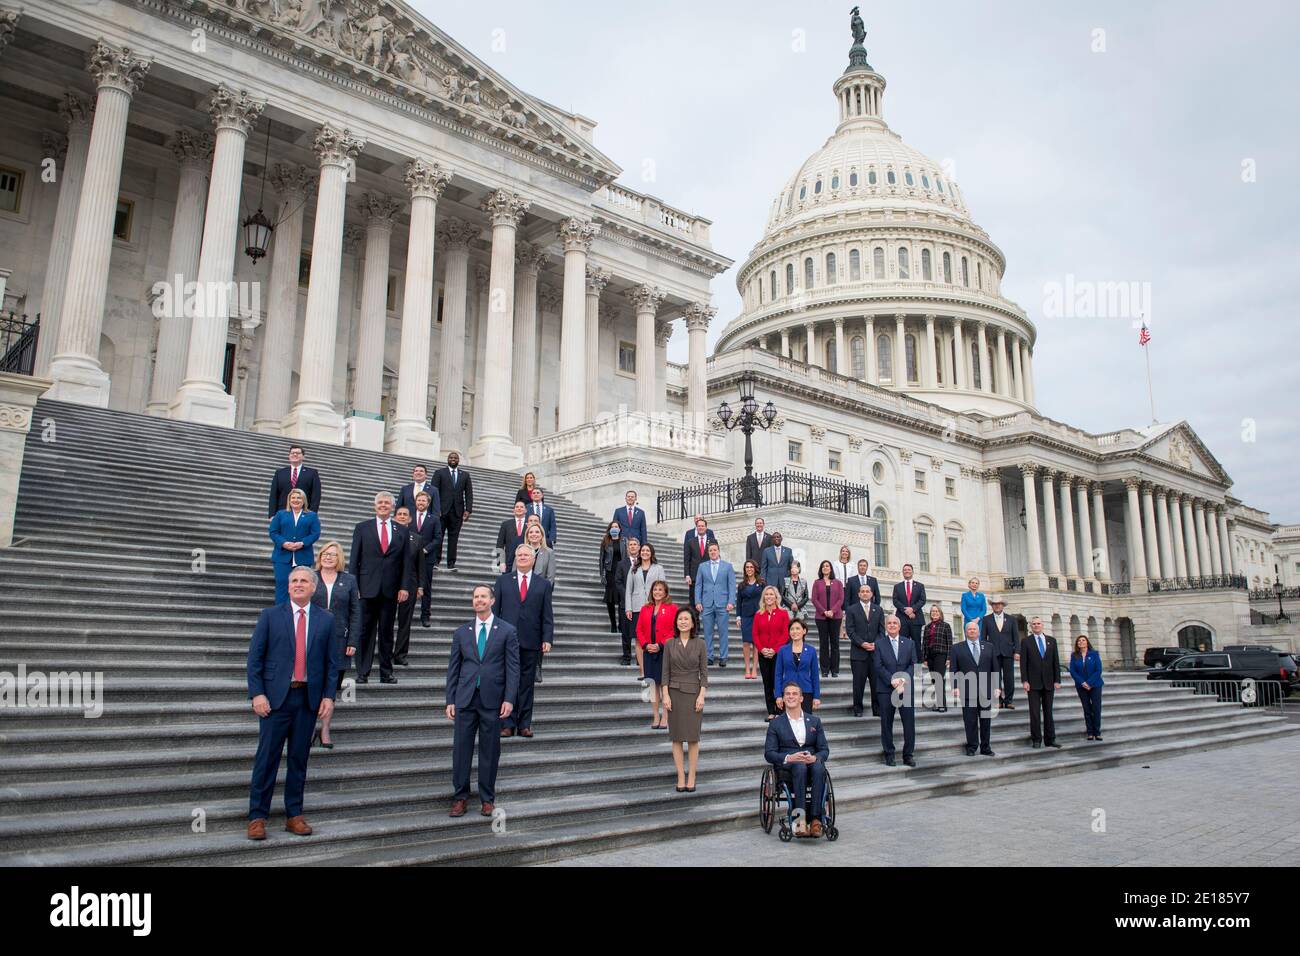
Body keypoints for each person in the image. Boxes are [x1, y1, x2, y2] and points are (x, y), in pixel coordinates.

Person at [246, 566, 340, 840]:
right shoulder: (270, 616)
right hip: (275, 700)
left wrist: (328, 696)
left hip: (307, 700)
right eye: (294, 581)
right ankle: (257, 817)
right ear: (288, 587)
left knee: (299, 759)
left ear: (313, 587)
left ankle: (294, 815)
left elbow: (331, 663)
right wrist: (258, 694)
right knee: (267, 759)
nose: (298, 584)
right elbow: (255, 660)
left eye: (303, 581)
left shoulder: (326, 620)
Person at [446, 584, 520, 817]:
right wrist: (451, 699)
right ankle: (460, 797)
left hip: (493, 701)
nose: (479, 600)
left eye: (483, 597)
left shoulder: (507, 631)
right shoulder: (461, 632)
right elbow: (453, 669)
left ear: (492, 600)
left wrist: (509, 698)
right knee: (461, 751)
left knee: (490, 751)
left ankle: (487, 799)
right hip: (465, 699)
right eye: (475, 597)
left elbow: (513, 668)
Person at [349, 492, 416, 685]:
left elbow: (406, 563)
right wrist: (354, 587)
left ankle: (386, 673)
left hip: (391, 589)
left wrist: (404, 587)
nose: (384, 505)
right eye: (380, 502)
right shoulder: (362, 528)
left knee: (387, 633)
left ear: (393, 507)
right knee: (365, 631)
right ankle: (363, 672)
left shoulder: (401, 530)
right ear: (375, 506)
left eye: (387, 503)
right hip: (366, 588)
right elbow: (355, 560)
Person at [495, 545, 554, 738]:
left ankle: (524, 724)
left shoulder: (543, 584)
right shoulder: (503, 581)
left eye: (526, 555)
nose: (522, 557)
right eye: (519, 554)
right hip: (506, 641)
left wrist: (547, 638)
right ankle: (506, 723)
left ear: (533, 559)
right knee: (507, 682)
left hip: (532, 640)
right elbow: (495, 613)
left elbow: (547, 614)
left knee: (527, 683)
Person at [764, 682, 831, 837]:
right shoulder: (775, 724)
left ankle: (815, 819)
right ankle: (799, 819)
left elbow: (824, 750)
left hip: (811, 764)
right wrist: (789, 757)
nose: (791, 696)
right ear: (783, 699)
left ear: (801, 698)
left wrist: (815, 757)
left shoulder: (814, 721)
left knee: (819, 767)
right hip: (788, 768)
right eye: (787, 694)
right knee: (799, 767)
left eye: (794, 694)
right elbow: (769, 753)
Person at [311, 541, 359, 748]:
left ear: (339, 558)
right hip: (312, 639)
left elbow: (356, 612)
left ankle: (325, 729)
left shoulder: (349, 580)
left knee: (331, 687)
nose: (328, 557)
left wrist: (353, 640)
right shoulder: (311, 577)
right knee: (311, 684)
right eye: (324, 554)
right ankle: (308, 726)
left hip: (340, 640)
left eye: (332, 554)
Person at [662, 607, 708, 791]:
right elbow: (665, 672)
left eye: (686, 619)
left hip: (694, 694)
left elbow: (704, 673)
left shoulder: (700, 644)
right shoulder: (669, 644)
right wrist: (665, 695)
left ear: (692, 623)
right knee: (676, 738)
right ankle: (681, 775)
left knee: (693, 738)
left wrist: (702, 695)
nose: (683, 621)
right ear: (676, 622)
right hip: (673, 693)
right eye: (680, 619)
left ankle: (692, 775)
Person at [873, 614, 917, 767]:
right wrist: (892, 680)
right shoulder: (879, 644)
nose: (892, 625)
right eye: (889, 623)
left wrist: (903, 679)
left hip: (905, 688)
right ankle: (889, 755)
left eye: (894, 623)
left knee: (909, 724)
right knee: (886, 723)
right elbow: (878, 666)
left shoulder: (909, 643)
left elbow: (913, 664)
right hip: (886, 689)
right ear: (886, 626)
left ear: (899, 626)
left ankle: (908, 755)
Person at [950, 620, 999, 756]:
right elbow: (953, 669)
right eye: (969, 629)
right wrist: (955, 686)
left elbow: (995, 668)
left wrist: (997, 686)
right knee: (970, 720)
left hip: (986, 689)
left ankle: (985, 747)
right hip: (967, 690)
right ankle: (972, 747)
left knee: (985, 720)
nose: (972, 631)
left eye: (974, 629)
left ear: (978, 631)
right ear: (966, 632)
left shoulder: (989, 647)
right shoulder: (957, 648)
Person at [268, 488, 320, 605]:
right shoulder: (281, 514)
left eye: (299, 497)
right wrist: (283, 543)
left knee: (302, 588)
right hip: (282, 557)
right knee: (283, 586)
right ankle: (282, 615)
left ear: (304, 500)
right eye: (293, 498)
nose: (296, 500)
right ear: (289, 500)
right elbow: (273, 532)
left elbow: (315, 533)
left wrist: (303, 543)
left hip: (303, 557)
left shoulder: (311, 516)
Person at [636, 579, 676, 729]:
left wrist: (660, 645)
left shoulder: (672, 608)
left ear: (665, 592)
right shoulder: (645, 608)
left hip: (664, 651)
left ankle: (665, 716)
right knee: (652, 686)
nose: (657, 592)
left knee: (664, 684)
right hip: (648, 652)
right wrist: (646, 645)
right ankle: (655, 716)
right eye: (655, 589)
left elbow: (674, 630)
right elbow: (639, 629)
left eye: (660, 589)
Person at [1020, 616, 1062, 749]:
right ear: (1030, 626)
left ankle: (1050, 739)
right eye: (1034, 624)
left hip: (1049, 682)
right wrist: (1025, 680)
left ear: (1042, 625)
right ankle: (1036, 739)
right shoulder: (1026, 641)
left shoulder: (1051, 641)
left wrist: (1057, 680)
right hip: (1033, 683)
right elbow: (1023, 663)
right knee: (1034, 713)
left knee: (1048, 712)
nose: (1036, 626)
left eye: (1038, 623)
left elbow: (1056, 662)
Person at [625, 541, 665, 679]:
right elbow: (628, 589)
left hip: (653, 607)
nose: (645, 553)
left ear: (651, 553)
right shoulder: (633, 568)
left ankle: (652, 670)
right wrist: (628, 608)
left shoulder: (658, 568)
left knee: (652, 638)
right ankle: (642, 671)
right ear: (639, 553)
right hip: (636, 607)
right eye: (643, 551)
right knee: (638, 640)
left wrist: (661, 606)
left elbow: (663, 588)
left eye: (648, 551)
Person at [844, 582, 884, 717]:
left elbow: (881, 631)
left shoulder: (878, 610)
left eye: (867, 591)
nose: (865, 593)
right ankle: (858, 708)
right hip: (858, 654)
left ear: (872, 594)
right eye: (862, 591)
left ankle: (877, 709)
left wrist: (876, 644)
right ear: (859, 594)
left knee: (876, 683)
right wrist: (862, 643)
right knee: (858, 684)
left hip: (874, 653)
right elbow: (850, 630)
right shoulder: (851, 609)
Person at [693, 541, 734, 668]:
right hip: (707, 603)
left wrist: (731, 601)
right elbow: (698, 585)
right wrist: (698, 601)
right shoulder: (702, 566)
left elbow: (732, 585)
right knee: (707, 632)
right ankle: (709, 656)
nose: (712, 552)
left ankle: (723, 657)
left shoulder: (727, 566)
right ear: (708, 552)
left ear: (719, 551)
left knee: (723, 632)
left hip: (723, 603)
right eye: (710, 551)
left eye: (715, 550)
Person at [430, 451, 472, 571]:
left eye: (455, 457)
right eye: (451, 457)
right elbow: (434, 492)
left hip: (457, 512)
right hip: (441, 512)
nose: (453, 459)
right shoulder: (439, 473)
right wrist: (435, 509)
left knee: (454, 538)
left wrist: (468, 510)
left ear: (458, 460)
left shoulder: (465, 475)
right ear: (447, 459)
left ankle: (451, 563)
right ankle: (436, 561)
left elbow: (469, 493)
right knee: (439, 536)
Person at [752, 586, 789, 720]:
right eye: (766, 594)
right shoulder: (758, 614)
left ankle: (780, 711)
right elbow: (755, 634)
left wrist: (775, 649)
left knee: (777, 682)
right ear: (763, 597)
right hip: (763, 653)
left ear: (776, 597)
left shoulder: (783, 613)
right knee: (767, 683)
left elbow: (785, 634)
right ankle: (771, 711)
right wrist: (762, 649)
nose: (769, 597)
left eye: (771, 594)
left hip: (778, 654)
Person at [391, 506, 418, 668]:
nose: (402, 516)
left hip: (410, 585)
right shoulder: (387, 536)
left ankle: (400, 653)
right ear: (394, 517)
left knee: (405, 621)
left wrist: (420, 586)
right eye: (399, 514)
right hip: (389, 583)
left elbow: (420, 565)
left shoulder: (416, 539)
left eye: (405, 515)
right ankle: (385, 651)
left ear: (410, 519)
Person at [981, 596, 1020, 709]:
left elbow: (1016, 637)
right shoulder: (986, 619)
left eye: (999, 603)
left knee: (1009, 678)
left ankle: (1008, 700)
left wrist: (1017, 651)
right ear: (992, 606)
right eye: (994, 604)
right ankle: (998, 700)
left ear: (1003, 605)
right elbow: (983, 638)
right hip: (993, 653)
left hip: (1008, 652)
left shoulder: (1011, 619)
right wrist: (984, 652)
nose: (997, 605)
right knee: (995, 678)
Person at [774, 618, 820, 712]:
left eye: (798, 628)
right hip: (787, 692)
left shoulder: (811, 650)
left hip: (806, 691)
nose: (794, 631)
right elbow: (778, 674)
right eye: (792, 629)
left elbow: (815, 675)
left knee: (805, 724)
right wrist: (778, 695)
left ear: (804, 631)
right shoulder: (782, 650)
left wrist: (816, 696)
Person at [409, 490, 441, 628]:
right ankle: (406, 613)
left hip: (427, 558)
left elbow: (438, 538)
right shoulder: (408, 517)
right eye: (419, 500)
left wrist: (425, 550)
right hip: (409, 558)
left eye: (423, 501)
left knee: (426, 587)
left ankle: (425, 615)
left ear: (428, 503)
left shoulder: (434, 519)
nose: (421, 502)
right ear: (415, 502)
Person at [811, 560, 844, 680]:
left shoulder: (838, 583)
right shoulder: (817, 583)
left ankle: (835, 670)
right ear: (821, 569)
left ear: (831, 569)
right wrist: (824, 611)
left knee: (835, 643)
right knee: (823, 643)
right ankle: (824, 670)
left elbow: (841, 599)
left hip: (836, 617)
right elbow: (814, 599)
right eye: (823, 566)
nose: (825, 568)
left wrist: (832, 611)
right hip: (821, 617)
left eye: (827, 566)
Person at [267, 444, 321, 518]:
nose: (295, 454)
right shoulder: (280, 473)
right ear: (289, 456)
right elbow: (273, 495)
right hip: (282, 513)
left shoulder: (312, 473)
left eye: (298, 453)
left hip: (304, 514)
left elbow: (316, 496)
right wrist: (272, 515)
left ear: (303, 457)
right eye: (292, 453)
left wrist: (312, 514)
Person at [1068, 635, 1105, 740]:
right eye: (1079, 640)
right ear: (1077, 644)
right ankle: (1090, 732)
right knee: (1087, 709)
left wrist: (1089, 683)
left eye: (1083, 640)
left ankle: (1097, 732)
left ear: (1087, 642)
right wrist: (1083, 682)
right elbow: (1073, 671)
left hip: (1095, 685)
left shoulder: (1094, 654)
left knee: (1096, 708)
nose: (1081, 642)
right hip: (1081, 686)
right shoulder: (1074, 655)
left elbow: (1098, 670)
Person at [736, 560, 765, 680]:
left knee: (757, 644)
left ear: (755, 569)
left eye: (751, 567)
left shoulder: (762, 583)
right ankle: (747, 668)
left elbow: (766, 599)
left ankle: (754, 669)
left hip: (759, 615)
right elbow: (739, 602)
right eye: (747, 567)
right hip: (746, 616)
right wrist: (738, 616)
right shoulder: (742, 585)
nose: (749, 569)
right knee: (746, 643)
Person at [614, 538, 641, 666]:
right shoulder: (621, 564)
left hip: (640, 604)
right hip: (625, 603)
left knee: (640, 632)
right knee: (625, 632)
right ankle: (626, 656)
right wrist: (627, 595)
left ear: (639, 547)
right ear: (627, 547)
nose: (632, 547)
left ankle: (639, 657)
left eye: (635, 544)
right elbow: (618, 582)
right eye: (630, 545)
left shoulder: (643, 564)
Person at [921, 605, 953, 712]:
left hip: (941, 655)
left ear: (940, 613)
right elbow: (924, 643)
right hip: (930, 656)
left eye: (936, 611)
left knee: (939, 679)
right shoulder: (927, 627)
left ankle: (942, 704)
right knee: (935, 680)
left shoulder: (946, 626)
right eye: (932, 611)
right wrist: (924, 658)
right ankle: (939, 703)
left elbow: (950, 643)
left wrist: (949, 657)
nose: (934, 613)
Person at [599, 521, 626, 634]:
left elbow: (627, 556)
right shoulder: (605, 541)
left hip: (621, 572)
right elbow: (601, 559)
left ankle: (620, 624)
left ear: (620, 529)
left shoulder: (624, 541)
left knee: (621, 599)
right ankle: (613, 625)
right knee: (610, 600)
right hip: (610, 572)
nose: (614, 528)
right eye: (612, 527)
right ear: (609, 529)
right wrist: (602, 574)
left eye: (616, 527)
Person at [891, 563, 926, 648]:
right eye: (905, 570)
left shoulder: (920, 586)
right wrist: (905, 610)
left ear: (912, 572)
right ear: (903, 572)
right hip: (902, 620)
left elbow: (922, 600)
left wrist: (912, 609)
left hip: (916, 618)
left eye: (909, 569)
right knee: (902, 643)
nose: (907, 571)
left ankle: (917, 661)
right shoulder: (897, 586)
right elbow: (895, 601)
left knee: (917, 643)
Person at [682, 516, 717, 591]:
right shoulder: (690, 542)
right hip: (694, 576)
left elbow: (717, 558)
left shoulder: (713, 541)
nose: (700, 527)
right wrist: (687, 575)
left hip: (709, 575)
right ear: (696, 527)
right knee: (694, 600)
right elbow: (686, 559)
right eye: (699, 526)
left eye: (702, 526)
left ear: (706, 528)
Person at [496, 501, 528, 572]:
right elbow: (500, 544)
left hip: (526, 560)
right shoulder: (506, 524)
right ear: (513, 510)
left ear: (526, 510)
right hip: (508, 561)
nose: (519, 508)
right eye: (517, 507)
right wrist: (501, 562)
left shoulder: (530, 524)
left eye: (521, 507)